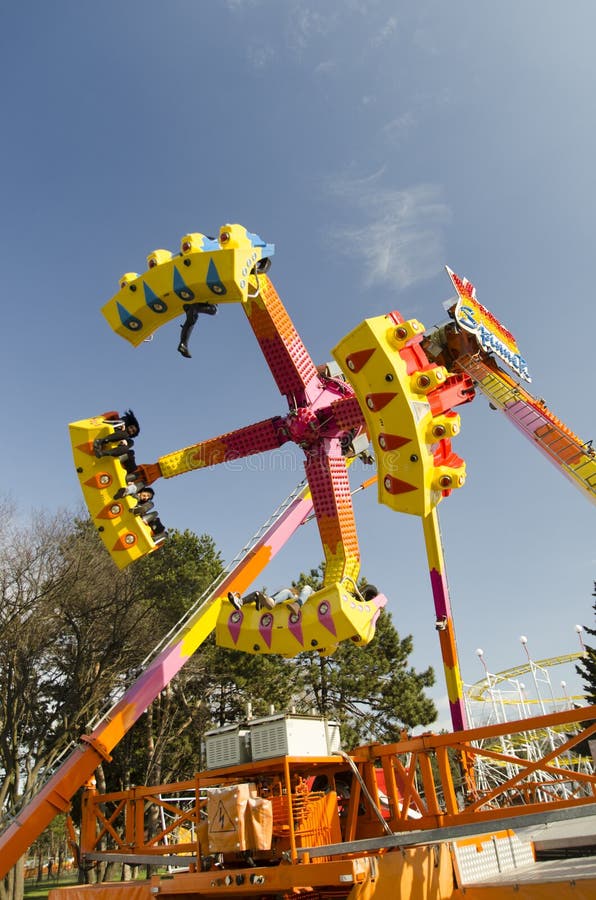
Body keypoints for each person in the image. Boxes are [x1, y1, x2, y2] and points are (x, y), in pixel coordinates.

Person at [227, 585, 314, 615]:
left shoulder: (296, 595)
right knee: (257, 594)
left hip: (300, 605)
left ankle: (297, 605)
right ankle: (240, 602)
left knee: (287, 592)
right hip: (278, 610)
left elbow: (309, 592)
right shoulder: (282, 598)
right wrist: (263, 599)